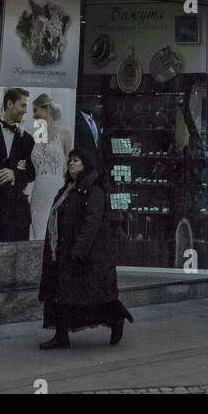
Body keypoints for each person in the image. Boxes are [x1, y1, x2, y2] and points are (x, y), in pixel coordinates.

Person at [38, 149, 132, 349]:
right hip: (62, 250)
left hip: (84, 255)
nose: (72, 164)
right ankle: (61, 335)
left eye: (77, 160)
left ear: (86, 164)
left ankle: (116, 319)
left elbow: (92, 222)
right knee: (60, 293)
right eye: (70, 160)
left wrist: (79, 250)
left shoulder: (93, 189)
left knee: (93, 296)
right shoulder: (68, 188)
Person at [0, 89, 36, 243]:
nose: (25, 110)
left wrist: (15, 174)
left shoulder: (28, 139)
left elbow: (31, 173)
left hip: (18, 213)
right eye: (22, 105)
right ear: (10, 104)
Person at [29, 93, 71, 243]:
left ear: (46, 109)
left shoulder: (65, 133)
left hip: (56, 189)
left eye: (36, 110)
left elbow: (68, 165)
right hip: (38, 191)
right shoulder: (37, 136)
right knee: (38, 233)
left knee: (54, 232)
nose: (33, 116)